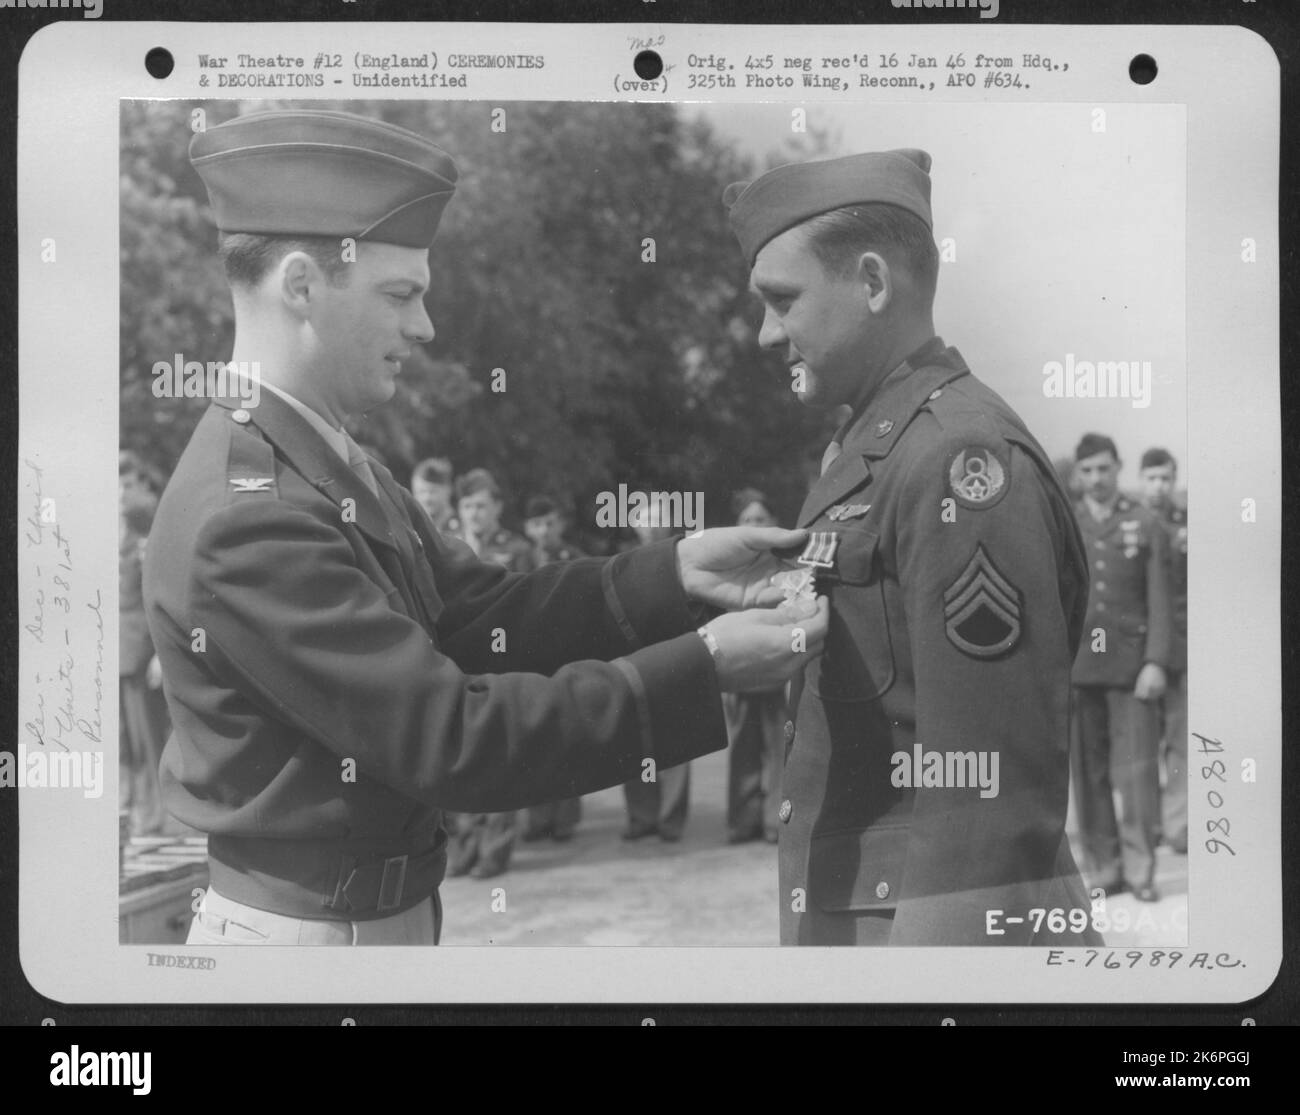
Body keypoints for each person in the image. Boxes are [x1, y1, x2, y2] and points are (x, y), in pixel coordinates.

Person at [144, 108, 827, 946]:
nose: (424, 327)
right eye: (402, 295)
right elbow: (453, 739)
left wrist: (676, 572)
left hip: (362, 925)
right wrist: (708, 664)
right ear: (300, 285)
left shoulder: (326, 461)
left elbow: (477, 618)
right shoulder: (248, 516)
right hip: (310, 943)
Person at [723, 148, 1100, 945]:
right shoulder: (872, 446)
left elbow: (984, 817)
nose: (764, 334)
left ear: (871, 282)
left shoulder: (959, 462)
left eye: (781, 301)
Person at [1069, 434, 1172, 902]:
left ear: (1118, 468)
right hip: (1079, 669)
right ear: (1078, 474)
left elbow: (1160, 599)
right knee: (1089, 778)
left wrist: (1155, 660)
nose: (1096, 478)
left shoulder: (1144, 522)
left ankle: (1139, 870)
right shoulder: (1066, 522)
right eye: (1087, 470)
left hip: (1132, 670)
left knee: (1136, 776)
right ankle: (1104, 869)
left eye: (1104, 468)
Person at [444, 468, 534, 879]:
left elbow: (533, 604)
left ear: (497, 507)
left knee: (501, 755)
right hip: (459, 662)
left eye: (482, 504)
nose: (475, 513)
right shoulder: (444, 544)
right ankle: (464, 844)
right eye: (467, 505)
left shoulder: (516, 549)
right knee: (463, 753)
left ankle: (495, 849)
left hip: (504, 662)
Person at [620, 501, 691, 843]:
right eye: (644, 521)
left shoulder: (684, 555)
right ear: (635, 527)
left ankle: (670, 819)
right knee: (634, 742)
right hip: (633, 659)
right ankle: (641, 816)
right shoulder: (621, 562)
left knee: (676, 742)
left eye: (658, 520)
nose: (650, 527)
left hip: (674, 657)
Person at [722, 489, 788, 844]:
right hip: (743, 672)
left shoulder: (788, 562)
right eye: (747, 520)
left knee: (781, 751)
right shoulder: (728, 566)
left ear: (774, 523)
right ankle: (742, 821)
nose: (753, 526)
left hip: (779, 671)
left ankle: (775, 823)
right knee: (743, 751)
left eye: (760, 519)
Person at [519, 494, 586, 843]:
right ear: (528, 529)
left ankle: (565, 820)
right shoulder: (519, 558)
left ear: (559, 524)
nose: (545, 530)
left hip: (564, 656)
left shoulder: (573, 559)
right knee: (533, 737)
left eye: (550, 522)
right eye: (537, 524)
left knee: (566, 738)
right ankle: (537, 819)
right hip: (529, 659)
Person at [1137, 448, 1187, 854]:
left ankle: (1176, 827)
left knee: (1179, 742)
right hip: (1142, 653)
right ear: (1140, 479)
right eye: (1152, 478)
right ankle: (1147, 826)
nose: (1159, 486)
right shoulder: (1131, 523)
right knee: (1141, 744)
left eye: (1166, 478)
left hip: (1182, 650)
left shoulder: (1186, 523)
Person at [119, 452, 171, 836]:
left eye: (127, 485)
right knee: (122, 742)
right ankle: (127, 811)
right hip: (113, 651)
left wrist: (159, 655)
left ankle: (153, 817)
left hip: (140, 650)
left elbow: (159, 594)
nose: (120, 493)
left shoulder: (147, 529)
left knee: (148, 739)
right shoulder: (108, 528)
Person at [411, 457, 459, 535]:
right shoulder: (412, 530)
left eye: (432, 491)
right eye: (421, 492)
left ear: (448, 490)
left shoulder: (464, 529)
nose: (427, 498)